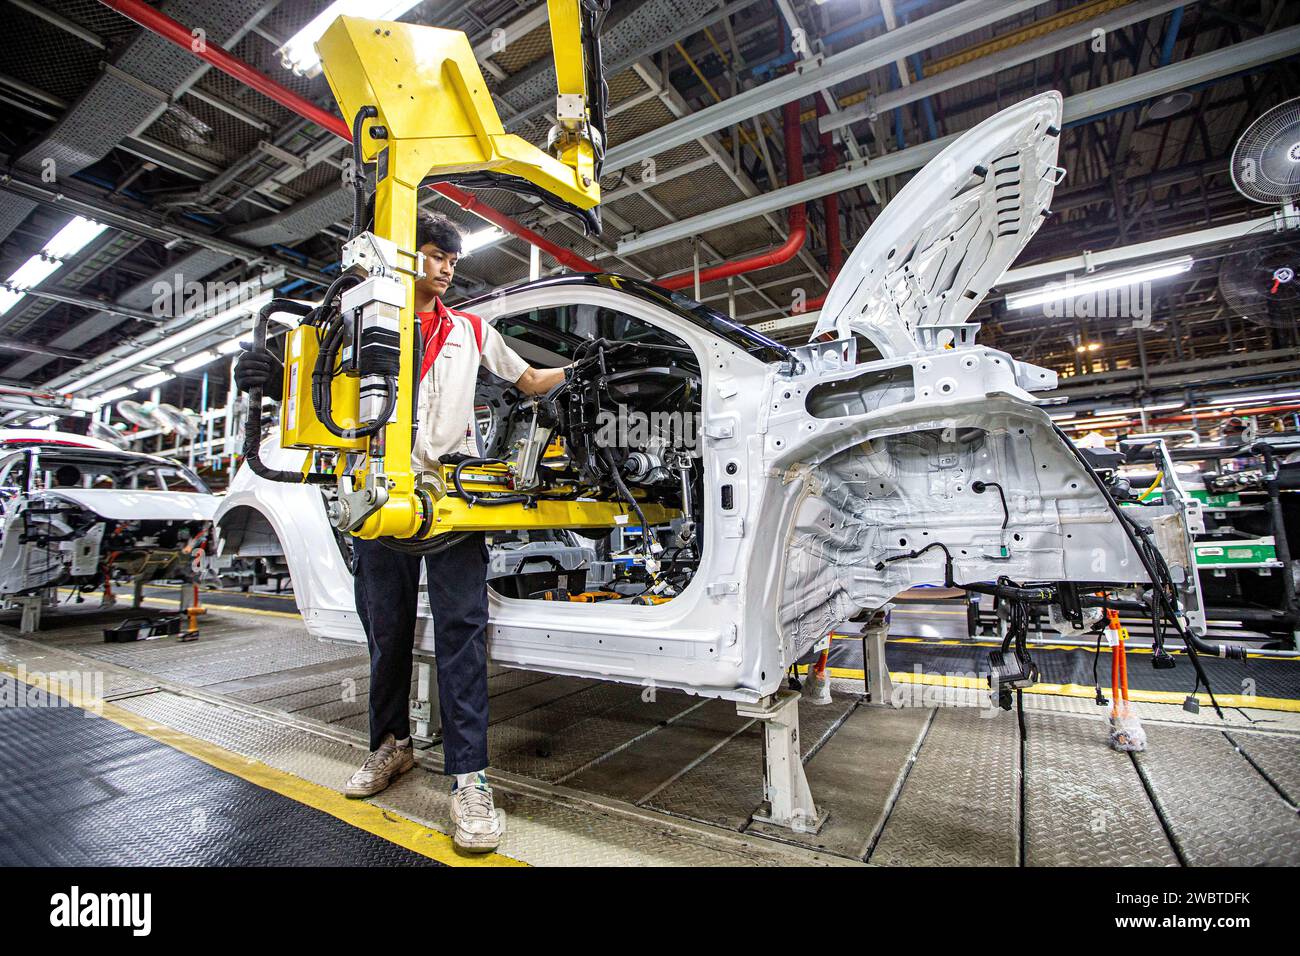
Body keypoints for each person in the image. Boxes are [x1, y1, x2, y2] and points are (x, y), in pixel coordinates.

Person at [235, 212, 566, 852]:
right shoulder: (359, 324)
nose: (446, 267)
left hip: (451, 502)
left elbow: (527, 381)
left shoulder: (471, 330)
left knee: (462, 634)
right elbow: (314, 388)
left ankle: (469, 779)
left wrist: (581, 371)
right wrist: (273, 375)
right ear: (402, 254)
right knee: (386, 630)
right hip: (377, 497)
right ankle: (390, 746)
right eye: (436, 254)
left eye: (452, 258)